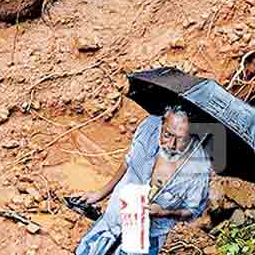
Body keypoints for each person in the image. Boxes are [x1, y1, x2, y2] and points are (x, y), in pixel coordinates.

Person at [75, 107, 212, 255]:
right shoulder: (149, 127)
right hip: (114, 218)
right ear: (162, 123)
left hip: (145, 241)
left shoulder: (199, 168)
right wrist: (100, 194)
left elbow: (193, 211)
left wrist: (163, 212)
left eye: (181, 140)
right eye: (167, 135)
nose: (171, 145)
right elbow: (129, 162)